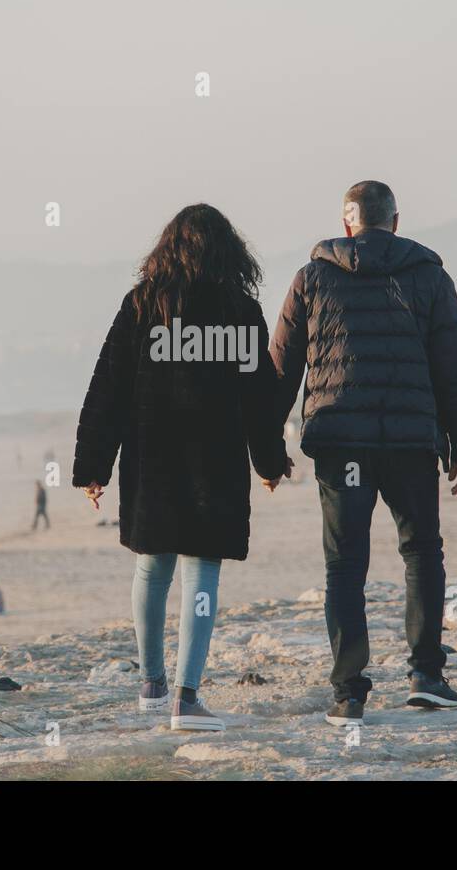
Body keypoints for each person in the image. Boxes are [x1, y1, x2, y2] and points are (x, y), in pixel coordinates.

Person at [73, 203, 289, 732]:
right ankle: (186, 700)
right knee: (201, 573)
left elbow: (109, 390)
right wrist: (269, 461)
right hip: (213, 465)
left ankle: (152, 686)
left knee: (151, 567)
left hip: (153, 462)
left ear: (167, 248)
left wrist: (93, 466)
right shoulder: (240, 311)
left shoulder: (142, 305)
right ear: (229, 252)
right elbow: (260, 399)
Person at [270, 180, 457, 727]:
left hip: (342, 445)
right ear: (395, 221)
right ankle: (427, 678)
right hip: (410, 443)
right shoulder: (430, 276)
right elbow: (453, 368)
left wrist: (269, 446)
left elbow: (282, 368)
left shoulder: (313, 278)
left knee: (345, 567)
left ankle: (349, 693)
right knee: (421, 553)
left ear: (347, 225)